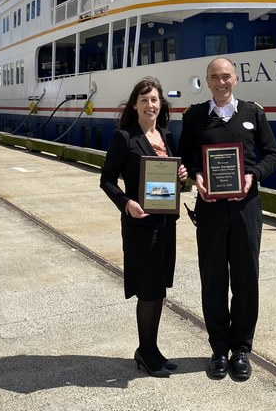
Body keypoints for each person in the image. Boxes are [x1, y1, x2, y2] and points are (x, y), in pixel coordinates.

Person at [179, 57, 276, 382]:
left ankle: (241, 350)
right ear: (207, 82)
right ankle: (218, 349)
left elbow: (274, 155)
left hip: (246, 208)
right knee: (213, 278)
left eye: (226, 76)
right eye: (214, 77)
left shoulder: (253, 113)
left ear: (235, 79)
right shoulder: (196, 116)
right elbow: (186, 157)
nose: (221, 82)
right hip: (209, 207)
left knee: (246, 278)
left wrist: (252, 175)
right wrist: (197, 178)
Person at [100, 77, 188, 378]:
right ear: (135, 105)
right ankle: (145, 352)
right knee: (148, 292)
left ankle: (151, 349)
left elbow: (172, 180)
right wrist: (126, 203)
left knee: (159, 289)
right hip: (140, 225)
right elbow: (107, 180)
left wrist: (181, 176)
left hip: (166, 222)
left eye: (154, 100)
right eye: (144, 99)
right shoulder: (125, 138)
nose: (150, 105)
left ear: (160, 104)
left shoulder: (165, 136)